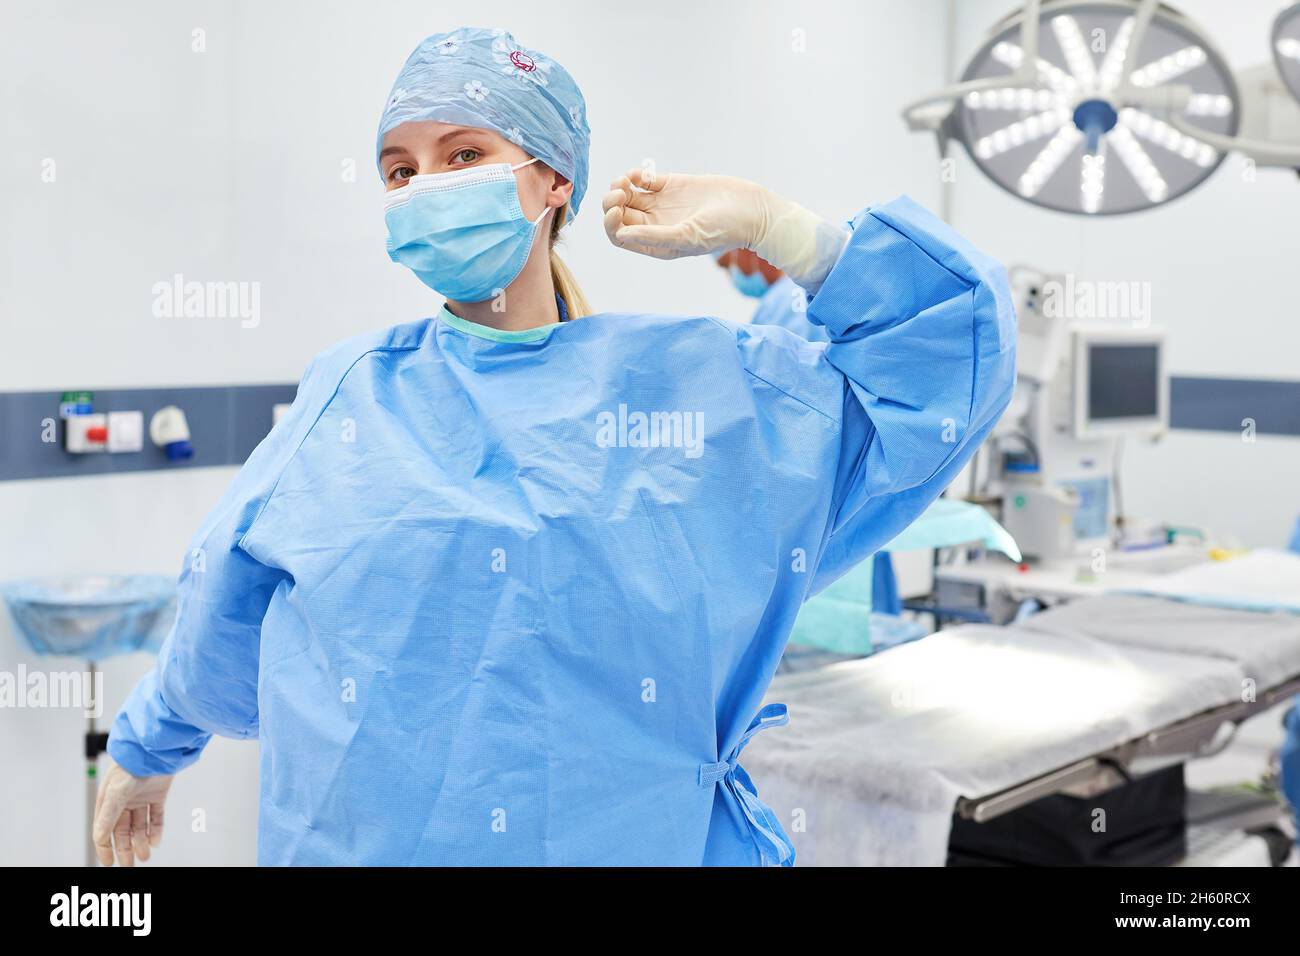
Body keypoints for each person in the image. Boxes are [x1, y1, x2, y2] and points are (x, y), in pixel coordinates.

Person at [94, 26, 1016, 867]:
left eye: (464, 154)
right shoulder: (350, 399)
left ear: (552, 180)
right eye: (399, 170)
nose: (425, 188)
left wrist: (790, 233)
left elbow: (943, 371)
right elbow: (225, 604)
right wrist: (147, 748)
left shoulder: (706, 398)